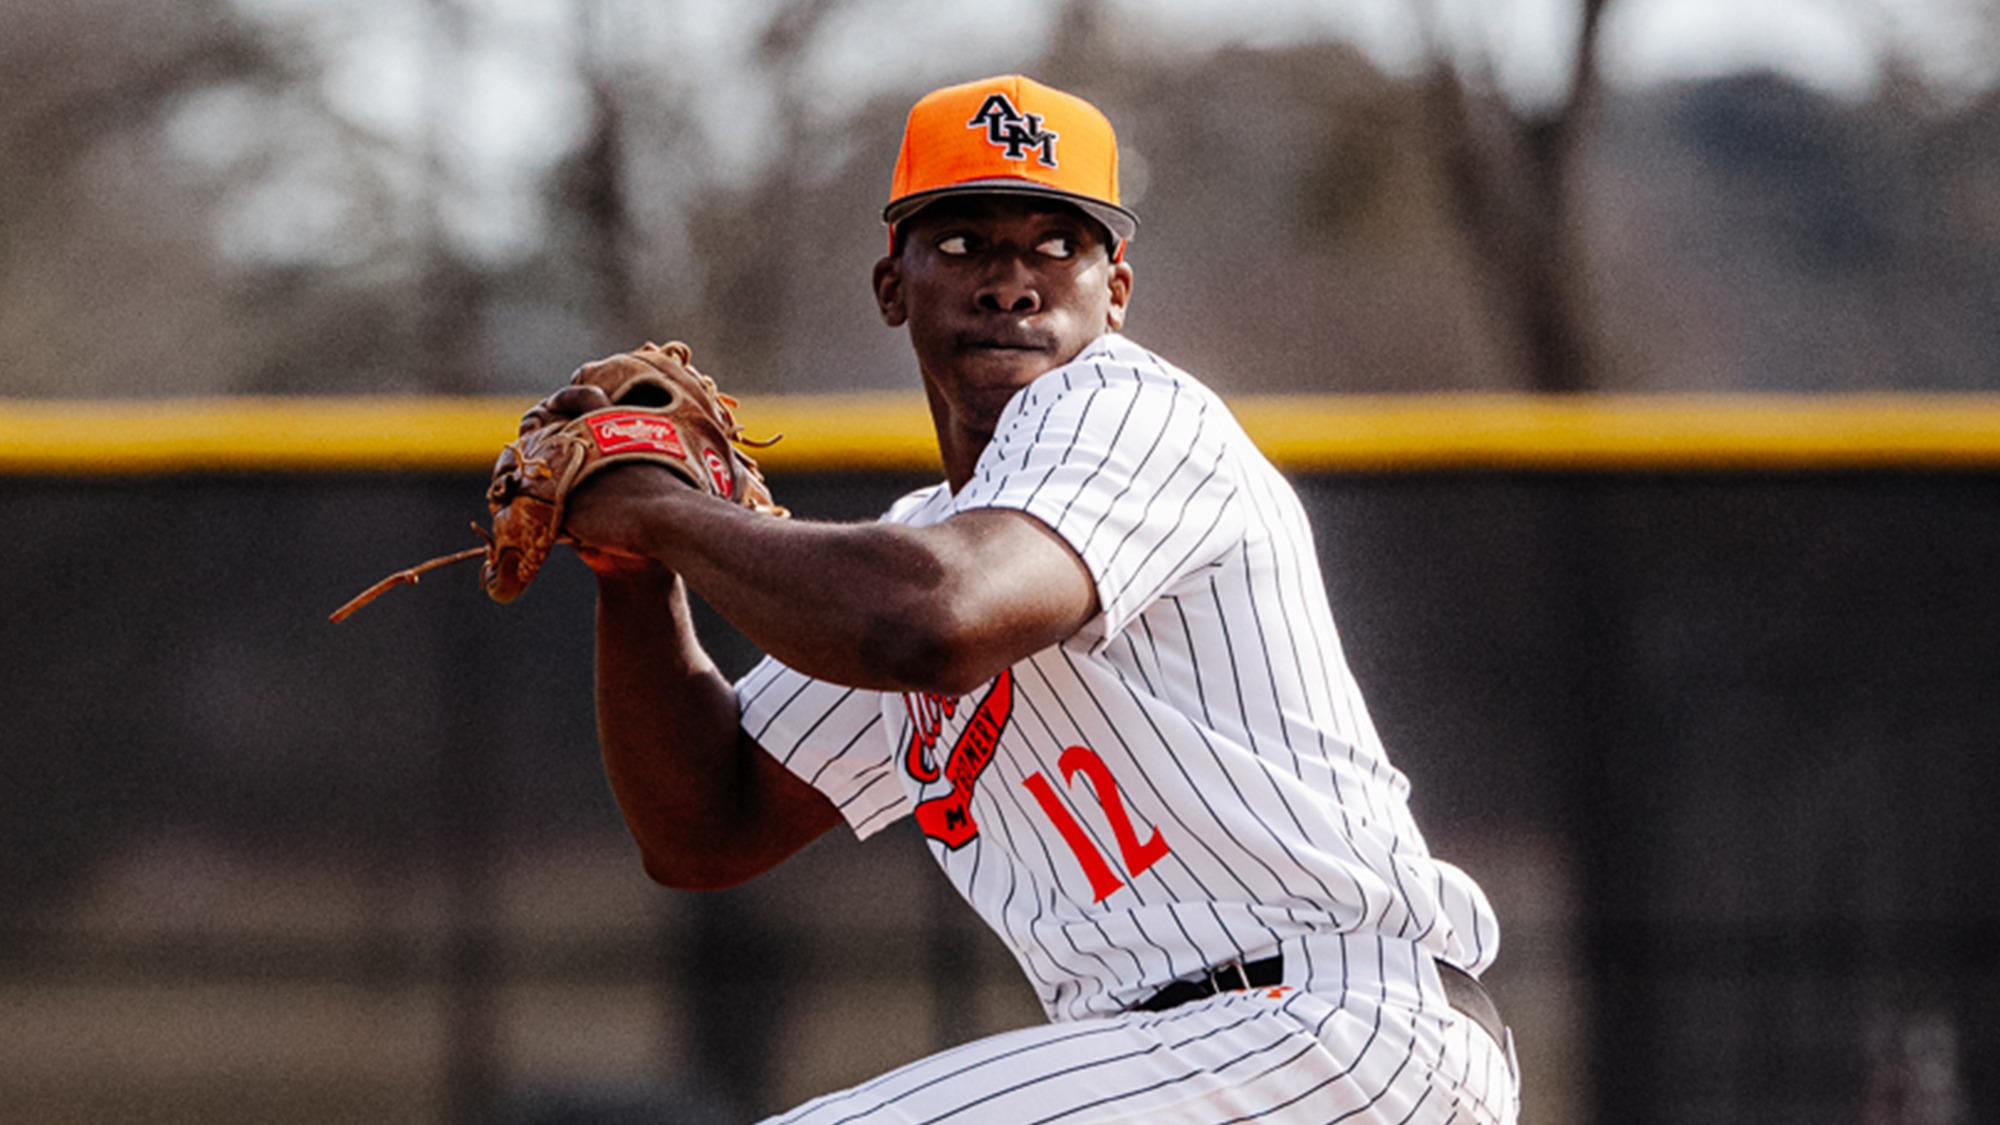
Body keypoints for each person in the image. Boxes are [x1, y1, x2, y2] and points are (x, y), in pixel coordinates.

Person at [559, 74, 1520, 1124]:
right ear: (892, 285)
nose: (1012, 283)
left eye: (1058, 244)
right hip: (1195, 1054)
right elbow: (707, 827)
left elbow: (930, 624)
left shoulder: (1129, 414)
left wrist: (659, 511)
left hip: (1323, 1029)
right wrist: (631, 572)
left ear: (1116, 291)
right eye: (963, 242)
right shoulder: (921, 551)